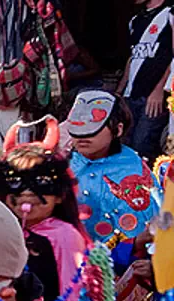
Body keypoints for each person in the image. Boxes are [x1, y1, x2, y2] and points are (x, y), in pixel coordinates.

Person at [0, 116, 88, 301]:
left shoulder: (64, 236)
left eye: (41, 181)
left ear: (60, 194)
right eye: (15, 182)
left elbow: (75, 296)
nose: (27, 192)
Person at [65, 90, 161, 250]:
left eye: (94, 129)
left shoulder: (132, 172)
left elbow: (145, 235)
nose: (83, 137)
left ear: (118, 129)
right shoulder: (63, 164)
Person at [117, 0, 172, 161]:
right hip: (131, 96)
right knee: (122, 146)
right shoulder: (135, 20)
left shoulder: (170, 14)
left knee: (143, 148)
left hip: (154, 98)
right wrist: (120, 92)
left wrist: (160, 90)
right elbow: (133, 58)